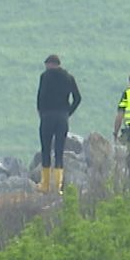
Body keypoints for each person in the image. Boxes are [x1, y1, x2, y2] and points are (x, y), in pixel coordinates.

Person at [36, 54, 81, 194]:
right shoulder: (69, 77)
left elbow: (40, 97)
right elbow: (78, 98)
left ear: (50, 64)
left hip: (48, 116)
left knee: (46, 149)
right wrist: (68, 112)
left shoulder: (45, 76)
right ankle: (58, 186)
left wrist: (41, 113)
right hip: (62, 117)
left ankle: (45, 184)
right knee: (59, 150)